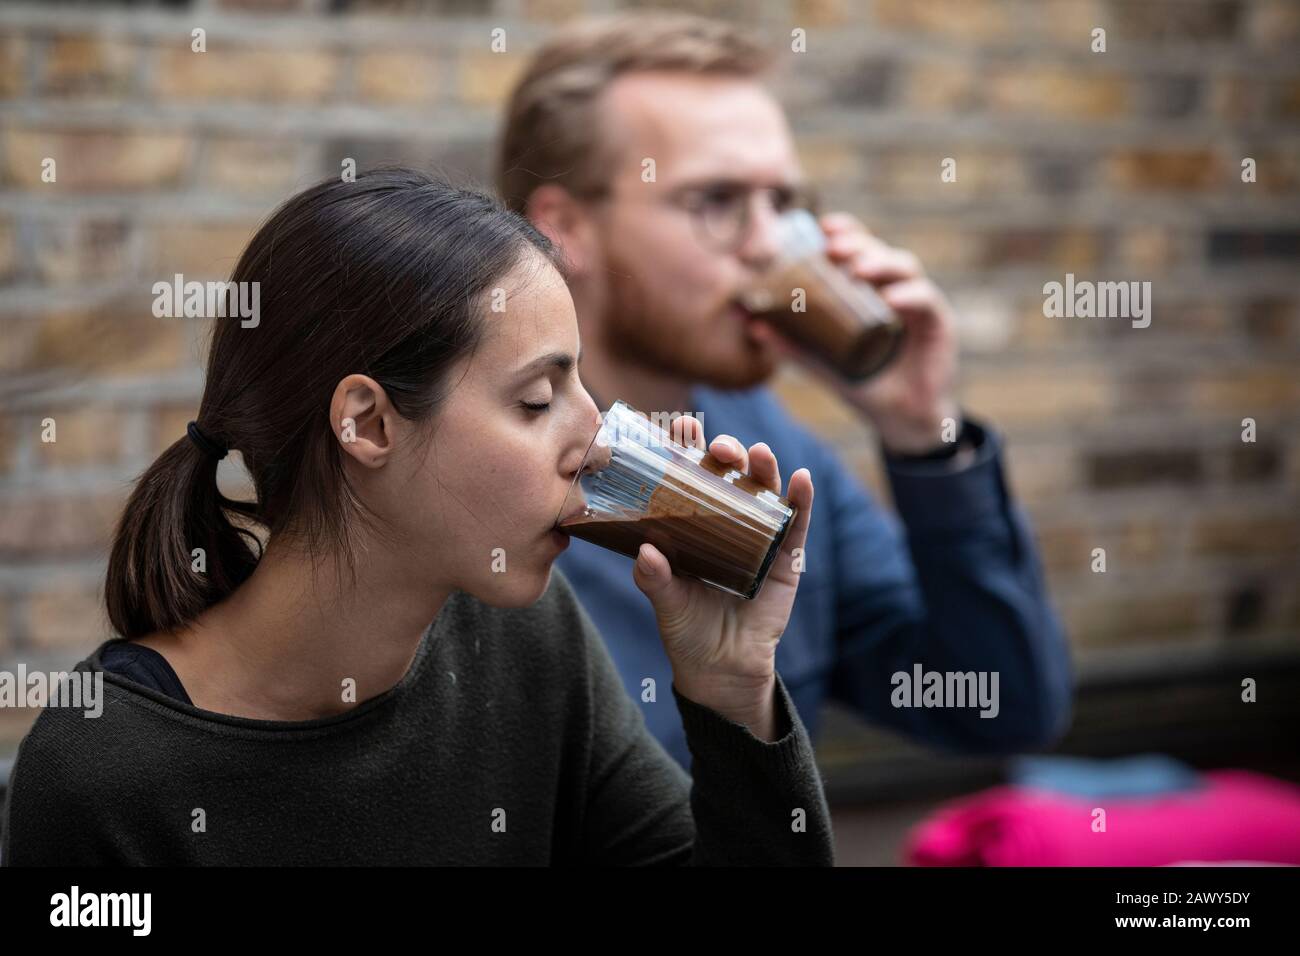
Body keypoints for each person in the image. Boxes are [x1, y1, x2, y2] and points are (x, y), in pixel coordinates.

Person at [0, 168, 832, 866]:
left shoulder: (527, 640)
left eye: (579, 385)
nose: (600, 439)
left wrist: (732, 689)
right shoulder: (104, 775)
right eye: (538, 399)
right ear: (367, 424)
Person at [495, 13, 1073, 770]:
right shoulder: (475, 477)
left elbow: (1000, 708)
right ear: (565, 228)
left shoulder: (771, 448)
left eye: (783, 202)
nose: (770, 245)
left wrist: (921, 430)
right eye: (717, 201)